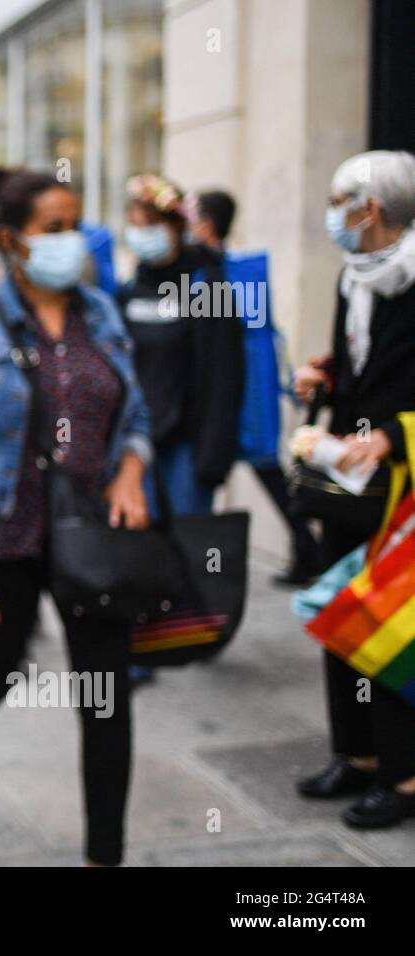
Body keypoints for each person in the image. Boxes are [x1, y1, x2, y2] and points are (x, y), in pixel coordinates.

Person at [0, 166, 152, 866]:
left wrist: (133, 474)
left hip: (90, 529)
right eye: (53, 228)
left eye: (76, 225)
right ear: (10, 239)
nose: (72, 241)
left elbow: (135, 415)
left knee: (107, 694)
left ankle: (104, 854)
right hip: (3, 530)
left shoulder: (102, 313)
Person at [293, 150, 415, 829]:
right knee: (343, 615)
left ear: (371, 209)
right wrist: (328, 379)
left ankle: (403, 776)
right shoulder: (355, 276)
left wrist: (394, 434)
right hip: (349, 474)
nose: (333, 211)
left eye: (341, 199)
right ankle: (358, 755)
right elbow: (368, 364)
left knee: (392, 624)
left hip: (403, 483)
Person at [189, 189, 325, 586]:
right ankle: (307, 550)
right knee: (264, 472)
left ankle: (305, 550)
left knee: (238, 472)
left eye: (192, 216)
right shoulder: (234, 272)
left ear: (207, 224)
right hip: (246, 392)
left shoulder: (218, 275)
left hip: (240, 392)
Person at [118, 174, 244, 518]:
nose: (141, 236)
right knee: (138, 551)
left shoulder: (208, 286)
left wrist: (214, 456)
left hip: (188, 447)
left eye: (150, 226)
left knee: (188, 551)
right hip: (137, 446)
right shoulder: (130, 290)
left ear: (176, 226)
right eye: (135, 226)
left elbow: (225, 373)